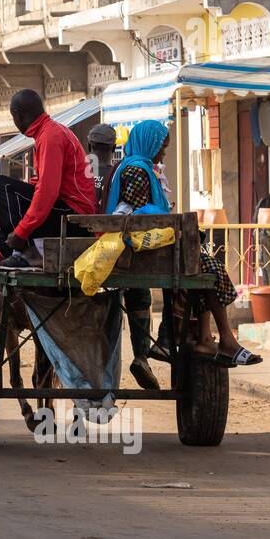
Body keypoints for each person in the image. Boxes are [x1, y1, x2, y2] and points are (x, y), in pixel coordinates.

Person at [0, 88, 97, 349]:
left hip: (72, 220)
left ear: (18, 115)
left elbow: (46, 194)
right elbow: (39, 186)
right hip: (58, 216)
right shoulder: (45, 136)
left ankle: (26, 250)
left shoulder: (51, 135)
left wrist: (22, 232)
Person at [104, 118, 261, 368]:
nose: (163, 153)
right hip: (144, 251)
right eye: (161, 148)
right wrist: (171, 221)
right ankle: (221, 339)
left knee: (203, 267)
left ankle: (205, 338)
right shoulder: (136, 171)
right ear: (148, 144)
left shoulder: (139, 168)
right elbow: (140, 216)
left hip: (150, 246)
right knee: (209, 268)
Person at [87, 123, 161, 391]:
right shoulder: (123, 170)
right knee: (139, 292)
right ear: (114, 148)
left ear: (89, 147)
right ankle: (141, 355)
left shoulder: (78, 170)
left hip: (80, 252)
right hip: (116, 251)